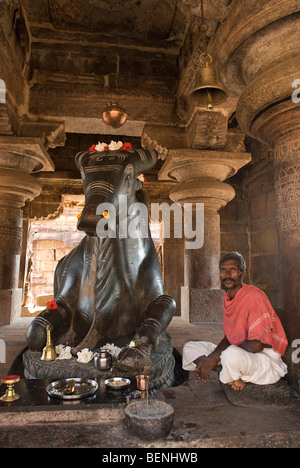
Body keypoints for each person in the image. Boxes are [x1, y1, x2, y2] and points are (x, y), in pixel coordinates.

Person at [182, 252, 288, 391]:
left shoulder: (253, 297)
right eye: (223, 270)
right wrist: (213, 357)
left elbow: (257, 345)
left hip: (264, 361)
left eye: (232, 270)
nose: (227, 275)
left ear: (242, 274)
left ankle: (230, 373)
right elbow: (230, 337)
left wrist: (215, 358)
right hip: (241, 354)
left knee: (230, 354)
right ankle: (231, 373)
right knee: (190, 347)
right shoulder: (229, 298)